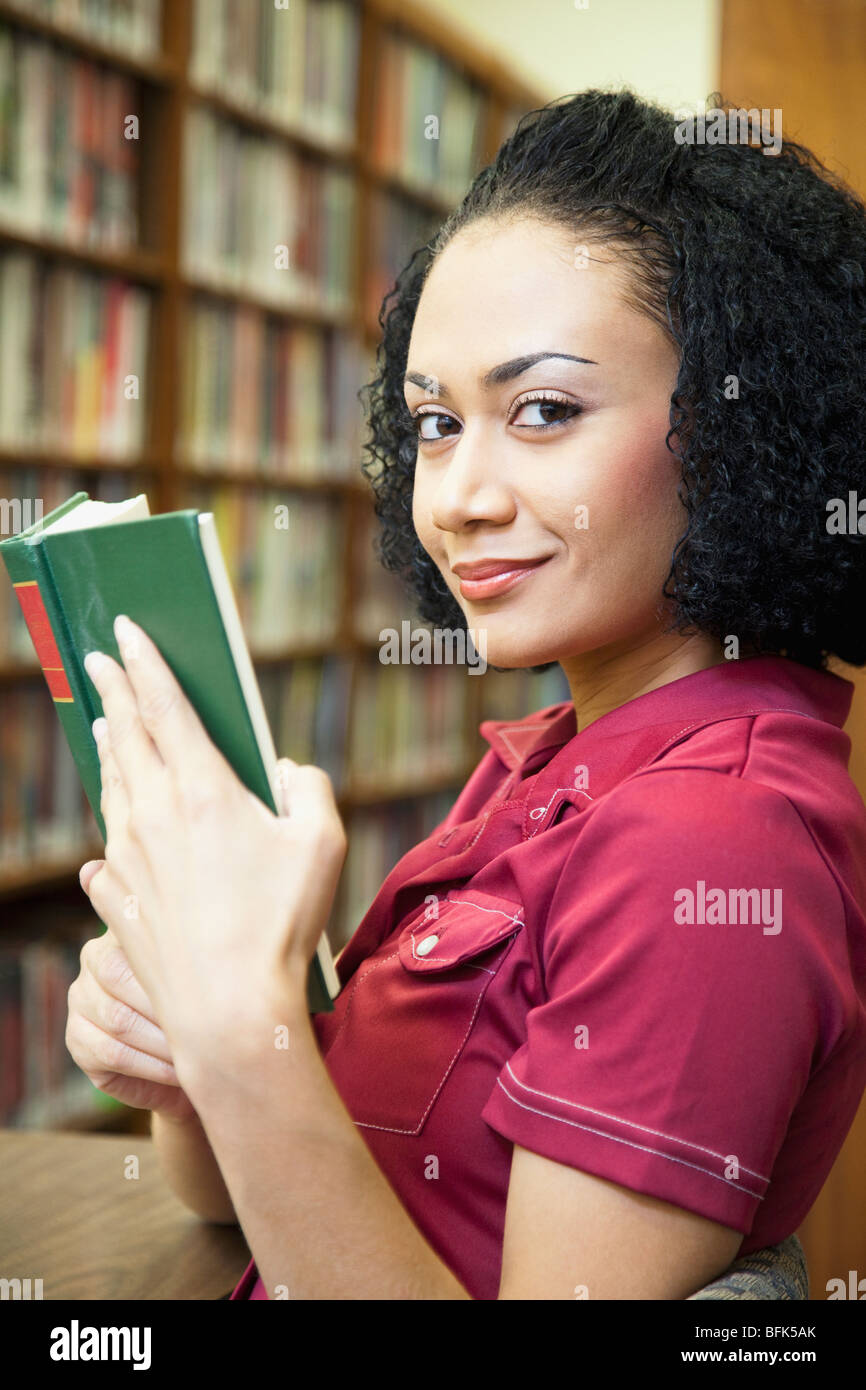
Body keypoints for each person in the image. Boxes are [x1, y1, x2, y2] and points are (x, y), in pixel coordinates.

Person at [66, 89, 866, 1300]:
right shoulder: (550, 761)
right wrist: (196, 1050)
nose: (456, 497)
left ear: (737, 428)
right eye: (434, 422)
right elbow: (240, 1201)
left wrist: (238, 1023)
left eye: (542, 410)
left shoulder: (712, 840)